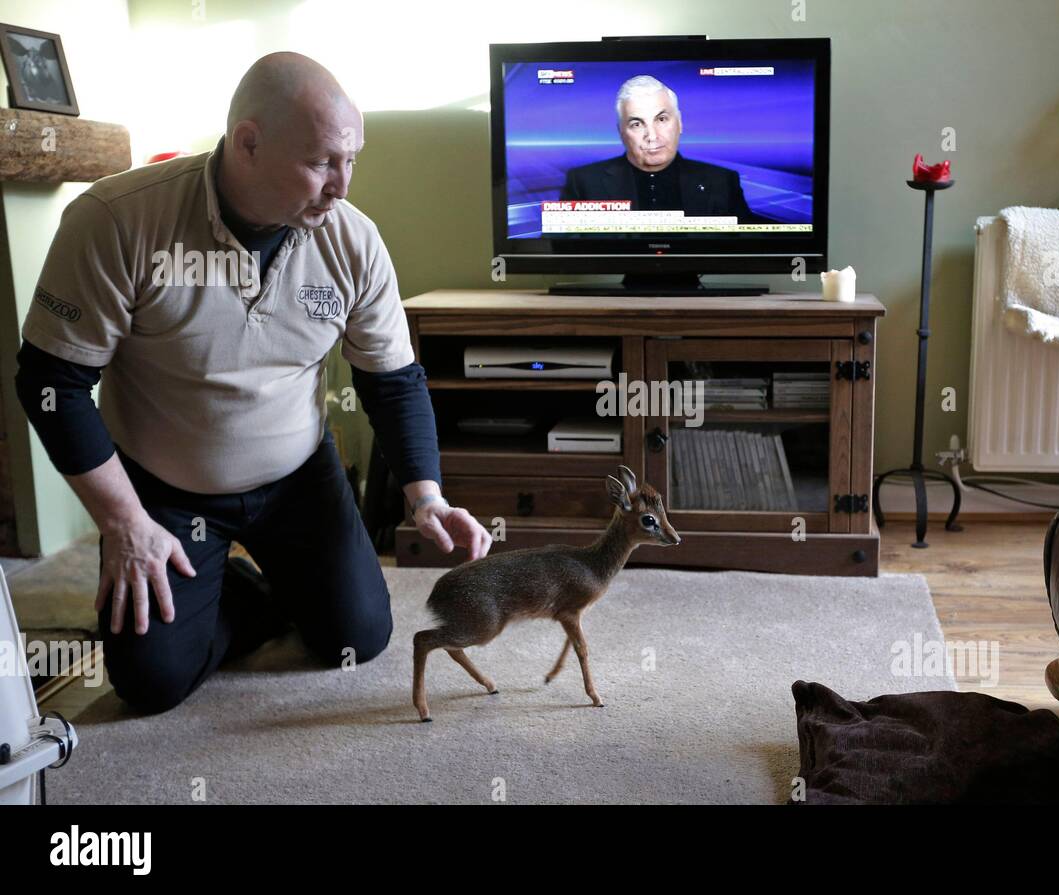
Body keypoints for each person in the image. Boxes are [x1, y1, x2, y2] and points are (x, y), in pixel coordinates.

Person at [13, 52, 491, 714]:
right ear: (248, 143)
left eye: (352, 160)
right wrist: (122, 522)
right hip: (165, 494)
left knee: (357, 635)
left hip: (297, 479)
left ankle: (254, 589)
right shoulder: (118, 220)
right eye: (323, 161)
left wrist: (427, 497)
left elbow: (393, 381)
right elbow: (50, 383)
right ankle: (233, 590)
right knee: (149, 682)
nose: (343, 184)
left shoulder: (353, 242)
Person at [559, 75, 766, 224]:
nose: (653, 136)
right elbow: (559, 248)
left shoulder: (722, 182)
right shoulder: (583, 183)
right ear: (621, 132)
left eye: (661, 119)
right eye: (637, 124)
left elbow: (749, 246)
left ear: (680, 123)